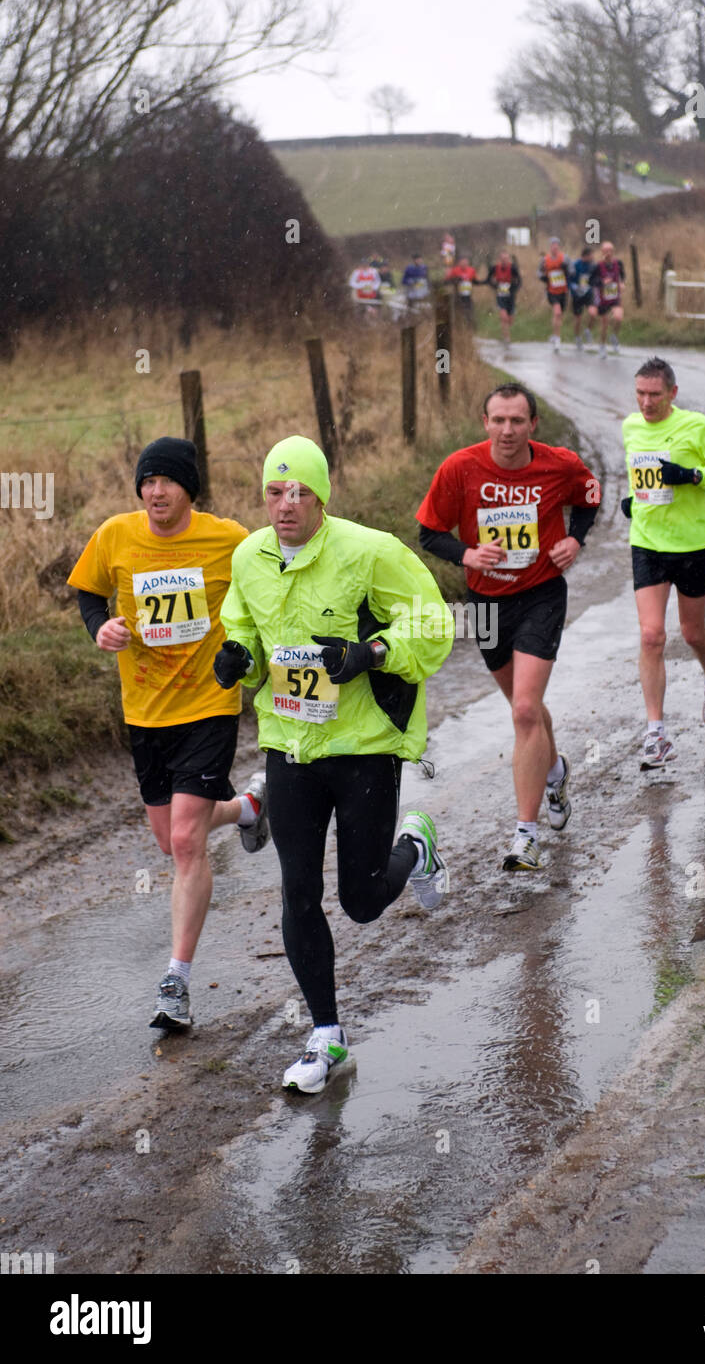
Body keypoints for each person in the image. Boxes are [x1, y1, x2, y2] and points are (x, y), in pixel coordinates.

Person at [217, 436, 454, 1093]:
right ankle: (327, 1036)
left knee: (362, 899)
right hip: (291, 746)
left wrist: (370, 654)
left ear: (323, 497)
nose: (286, 504)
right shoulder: (249, 556)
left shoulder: (370, 551)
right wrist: (239, 658)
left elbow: (434, 623)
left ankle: (417, 845)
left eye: (301, 492)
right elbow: (244, 627)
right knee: (298, 889)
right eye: (275, 491)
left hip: (364, 746)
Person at [67, 437, 268, 1030]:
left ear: (189, 489)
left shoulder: (228, 538)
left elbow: (271, 578)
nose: (155, 492)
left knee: (185, 843)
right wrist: (100, 627)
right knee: (170, 839)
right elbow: (88, 591)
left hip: (208, 703)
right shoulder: (115, 535)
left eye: (167, 482)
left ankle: (175, 980)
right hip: (145, 711)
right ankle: (251, 808)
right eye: (147, 482)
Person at [416, 383, 600, 871]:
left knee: (523, 712)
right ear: (485, 422)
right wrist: (467, 553)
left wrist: (575, 541)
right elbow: (429, 532)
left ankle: (525, 836)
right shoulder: (460, 468)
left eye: (517, 420)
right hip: (487, 604)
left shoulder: (558, 464)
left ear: (533, 425)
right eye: (498, 420)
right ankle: (555, 772)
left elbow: (589, 497)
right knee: (528, 709)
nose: (507, 430)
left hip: (541, 594)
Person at [620, 358, 705, 770]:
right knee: (652, 636)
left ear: (672, 392)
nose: (646, 402)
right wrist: (633, 501)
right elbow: (640, 478)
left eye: (654, 394)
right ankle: (656, 734)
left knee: (692, 633)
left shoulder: (696, 426)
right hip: (647, 542)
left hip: (692, 544)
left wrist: (689, 475)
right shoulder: (630, 427)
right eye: (640, 393)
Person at [483, 249, 521, 348]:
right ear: (500, 259)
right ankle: (507, 339)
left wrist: (514, 288)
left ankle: (505, 333)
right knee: (504, 317)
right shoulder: (495, 268)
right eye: (502, 259)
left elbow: (519, 280)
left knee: (509, 320)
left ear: (509, 259)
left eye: (506, 259)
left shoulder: (513, 268)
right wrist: (494, 286)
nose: (504, 261)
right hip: (500, 297)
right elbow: (488, 279)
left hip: (511, 297)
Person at [537, 237, 571, 350]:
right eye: (552, 245)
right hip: (551, 291)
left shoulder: (564, 258)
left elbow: (572, 271)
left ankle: (554, 334)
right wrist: (543, 277)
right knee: (557, 312)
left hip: (563, 291)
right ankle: (557, 338)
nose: (554, 248)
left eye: (556, 246)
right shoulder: (545, 260)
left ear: (559, 247)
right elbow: (539, 272)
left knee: (559, 315)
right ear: (550, 247)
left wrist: (566, 269)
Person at [594, 241, 625, 356]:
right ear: (602, 252)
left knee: (618, 317)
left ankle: (614, 337)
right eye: (606, 251)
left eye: (610, 251)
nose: (608, 253)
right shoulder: (598, 266)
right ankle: (602, 345)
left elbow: (622, 275)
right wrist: (602, 282)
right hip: (602, 299)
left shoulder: (618, 263)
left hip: (614, 297)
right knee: (605, 323)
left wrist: (622, 283)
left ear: (613, 252)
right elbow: (592, 281)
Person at [569, 247, 598, 351]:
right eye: (591, 255)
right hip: (577, 295)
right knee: (578, 318)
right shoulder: (576, 265)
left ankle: (587, 331)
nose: (593, 257)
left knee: (593, 313)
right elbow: (569, 280)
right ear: (585, 256)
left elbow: (595, 278)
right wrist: (574, 288)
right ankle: (577, 337)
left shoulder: (593, 265)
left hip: (588, 293)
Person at [444, 254, 480, 322]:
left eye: (466, 262)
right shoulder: (455, 270)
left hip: (468, 295)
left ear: (468, 262)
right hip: (458, 295)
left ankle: (469, 325)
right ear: (459, 263)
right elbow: (447, 281)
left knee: (469, 311)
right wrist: (456, 279)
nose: (464, 264)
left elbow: (476, 281)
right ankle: (458, 324)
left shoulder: (471, 270)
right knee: (458, 310)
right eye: (462, 262)